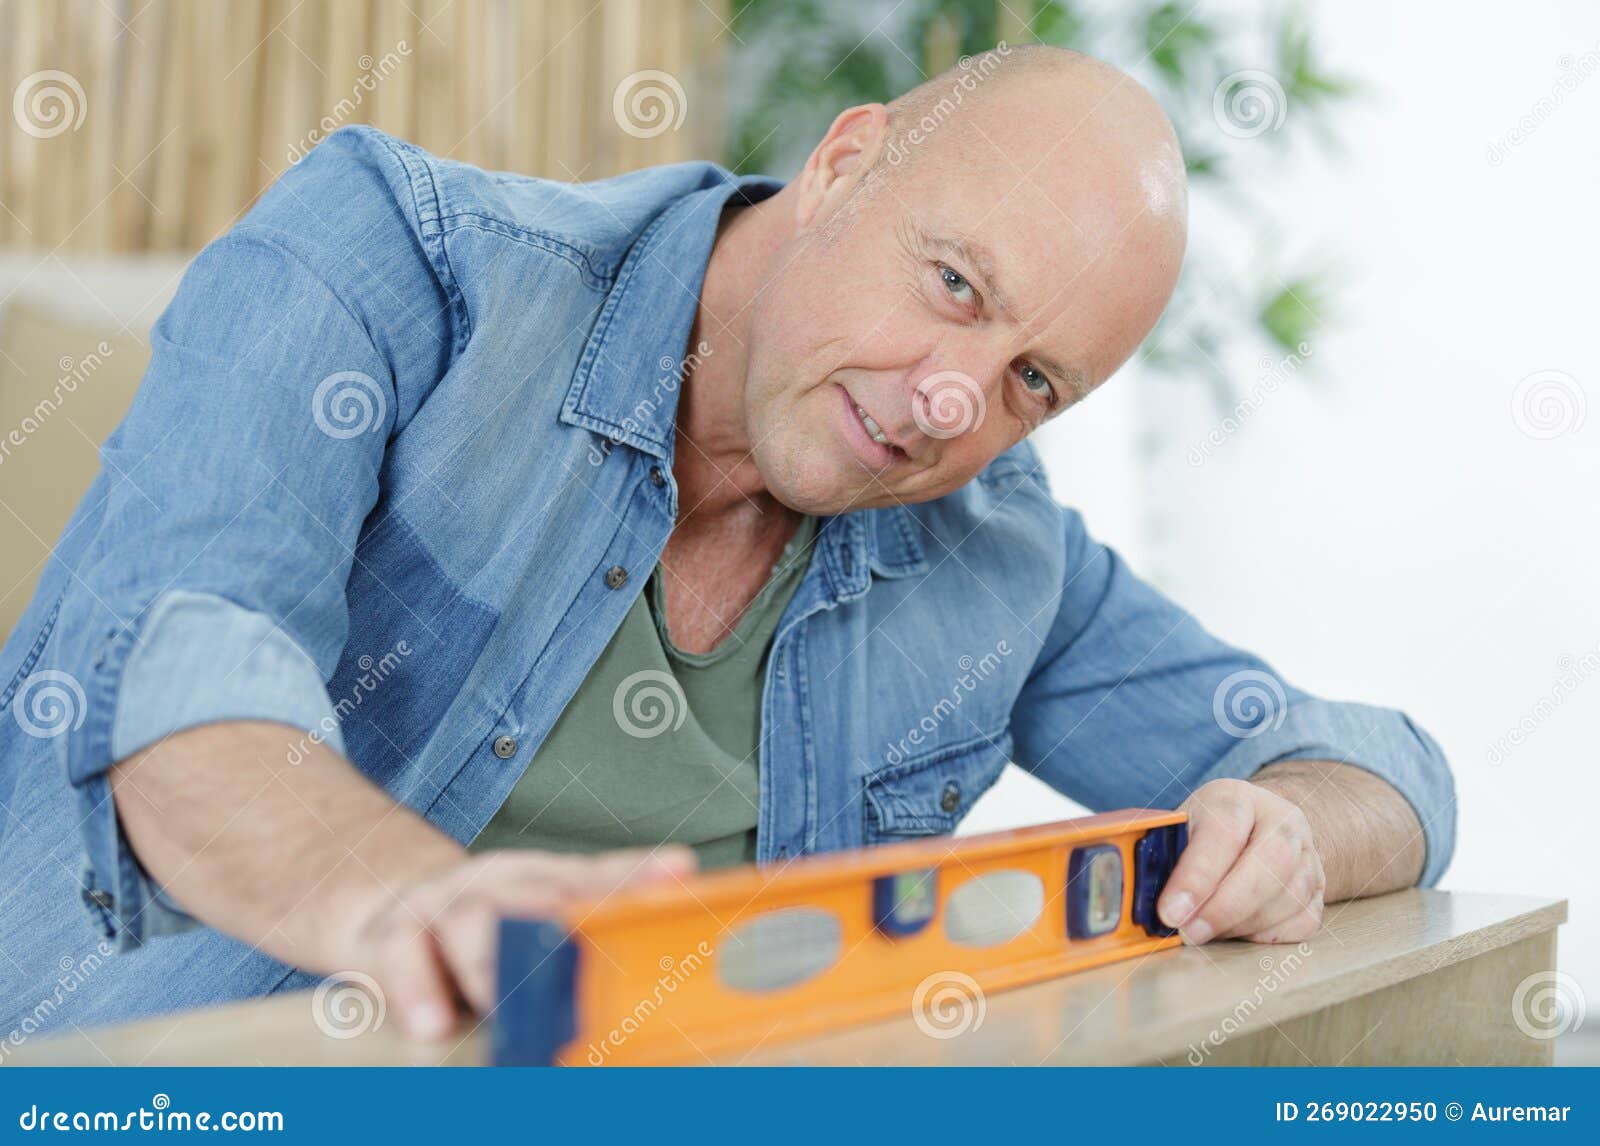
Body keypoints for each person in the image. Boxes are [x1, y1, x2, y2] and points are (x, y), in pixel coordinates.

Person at [0, 45, 1452, 1044]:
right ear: (844, 162)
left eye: (1032, 383)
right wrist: (413, 899)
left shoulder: (996, 553)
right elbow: (178, 695)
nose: (955, 399)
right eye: (954, 285)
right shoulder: (396, 264)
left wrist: (1293, 834)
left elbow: (1384, 770)